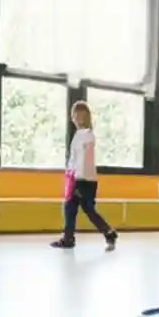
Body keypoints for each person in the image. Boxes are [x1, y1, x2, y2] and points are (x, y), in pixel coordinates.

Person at [51, 100, 118, 251]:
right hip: (77, 177)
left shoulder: (87, 136)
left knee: (88, 209)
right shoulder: (79, 134)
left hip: (84, 179)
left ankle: (108, 233)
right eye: (75, 115)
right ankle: (68, 238)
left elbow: (84, 160)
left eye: (79, 115)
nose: (76, 118)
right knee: (70, 207)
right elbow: (74, 158)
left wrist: (78, 179)